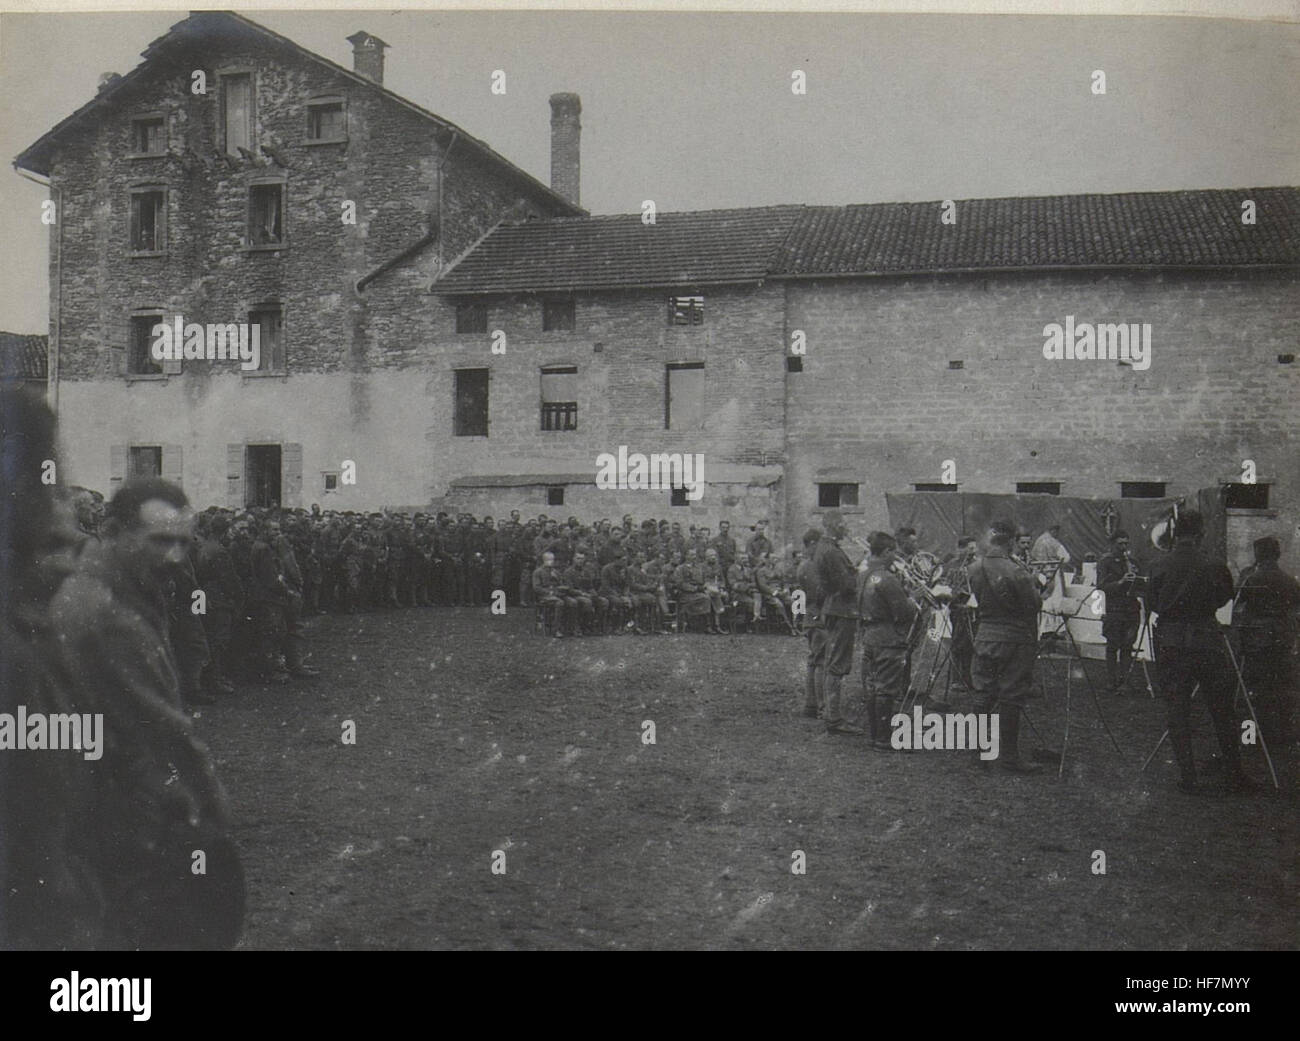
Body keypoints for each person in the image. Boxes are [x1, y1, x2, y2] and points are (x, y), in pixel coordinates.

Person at [48, 477, 245, 948]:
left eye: (183, 542)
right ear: (113, 532)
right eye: (159, 541)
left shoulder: (128, 587)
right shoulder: (105, 609)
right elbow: (164, 729)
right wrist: (212, 810)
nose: (175, 556)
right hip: (109, 814)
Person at [1148, 510, 1253, 795]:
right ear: (1200, 533)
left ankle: (1189, 777)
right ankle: (1235, 773)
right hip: (1207, 640)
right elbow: (1224, 597)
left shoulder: (1158, 564)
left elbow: (1153, 603)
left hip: (1171, 642)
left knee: (1177, 709)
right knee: (1222, 709)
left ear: (1175, 534)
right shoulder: (1214, 564)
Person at [967, 519, 1045, 773]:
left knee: (983, 693)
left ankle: (978, 755)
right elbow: (1033, 605)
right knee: (1011, 696)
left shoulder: (975, 567)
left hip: (985, 635)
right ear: (1011, 541)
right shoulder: (1017, 570)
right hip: (1015, 638)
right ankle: (1010, 758)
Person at [1232, 535, 1299, 785]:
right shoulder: (1290, 581)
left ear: (1258, 555)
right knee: (1281, 689)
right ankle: (1279, 737)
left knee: (1252, 691)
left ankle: (1249, 738)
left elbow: (1237, 606)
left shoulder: (1252, 579)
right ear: (1278, 555)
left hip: (1256, 642)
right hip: (1282, 641)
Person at [858, 531, 919, 749]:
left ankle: (876, 734)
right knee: (886, 688)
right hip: (888, 636)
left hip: (869, 634)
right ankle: (883, 739)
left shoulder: (863, 573)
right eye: (893, 552)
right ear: (885, 552)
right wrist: (913, 598)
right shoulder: (887, 578)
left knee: (873, 685)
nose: (895, 556)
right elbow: (904, 612)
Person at [813, 510, 864, 735]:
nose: (846, 527)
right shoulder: (831, 551)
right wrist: (861, 571)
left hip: (834, 608)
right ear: (834, 525)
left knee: (833, 662)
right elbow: (847, 585)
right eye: (843, 523)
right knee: (837, 664)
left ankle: (831, 714)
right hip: (842, 610)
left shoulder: (826, 548)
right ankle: (833, 718)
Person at [1096, 530, 1142, 694]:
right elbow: (1100, 587)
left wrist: (1137, 578)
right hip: (1114, 609)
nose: (1123, 547)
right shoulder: (1105, 562)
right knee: (1112, 645)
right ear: (1113, 544)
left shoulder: (1133, 561)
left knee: (1128, 646)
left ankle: (1125, 681)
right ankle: (1111, 680)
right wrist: (1121, 582)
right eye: (1120, 544)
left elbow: (1142, 585)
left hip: (1131, 609)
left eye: (1126, 544)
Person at [796, 529, 825, 718]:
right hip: (818, 616)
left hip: (811, 616)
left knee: (814, 660)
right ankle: (820, 706)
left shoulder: (805, 564)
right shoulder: (811, 566)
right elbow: (818, 593)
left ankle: (811, 704)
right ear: (813, 543)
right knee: (821, 661)